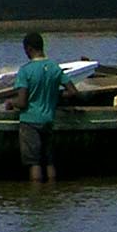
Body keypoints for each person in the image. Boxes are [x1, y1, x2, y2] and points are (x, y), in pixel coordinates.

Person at [8, 30, 74, 182]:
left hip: (30, 122)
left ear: (29, 49)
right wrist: (55, 95)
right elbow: (72, 92)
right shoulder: (54, 67)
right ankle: (51, 190)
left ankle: (37, 192)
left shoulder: (25, 71)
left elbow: (22, 102)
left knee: (34, 163)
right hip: (48, 120)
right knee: (49, 161)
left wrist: (11, 102)